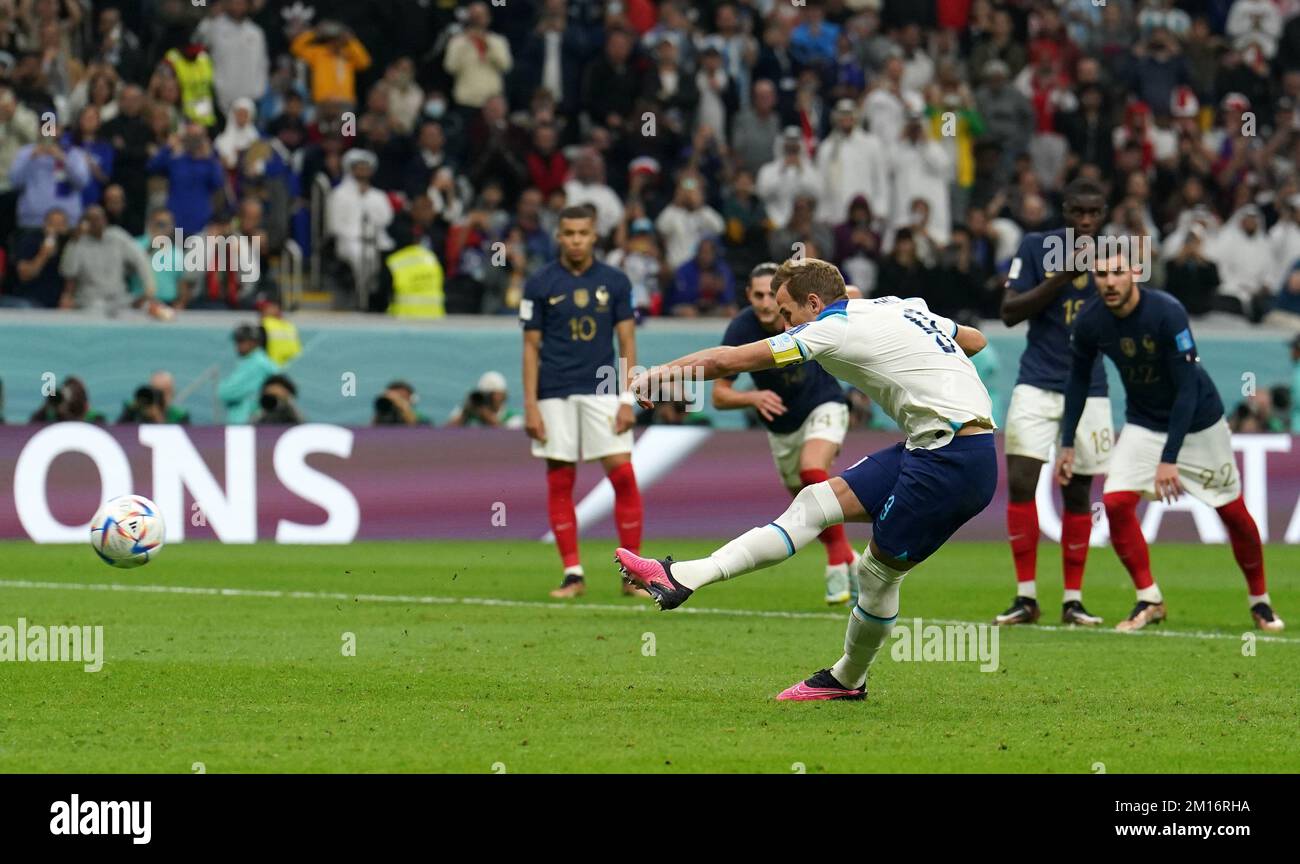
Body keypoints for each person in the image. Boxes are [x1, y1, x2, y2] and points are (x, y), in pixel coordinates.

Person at [617, 258, 997, 701]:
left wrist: (661, 373)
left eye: (787, 312)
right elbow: (975, 339)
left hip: (954, 461)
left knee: (877, 574)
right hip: (932, 444)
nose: (783, 322)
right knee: (815, 502)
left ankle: (848, 679)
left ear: (813, 303)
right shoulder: (897, 305)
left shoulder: (827, 330)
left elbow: (728, 361)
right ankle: (680, 576)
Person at [1056, 245, 1284, 633]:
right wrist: (1066, 442)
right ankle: (1149, 598)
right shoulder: (1091, 321)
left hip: (1199, 423)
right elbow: (1078, 381)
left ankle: (1260, 602)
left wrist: (1169, 458)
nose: (1109, 282)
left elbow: (1187, 389)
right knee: (1115, 502)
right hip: (1144, 422)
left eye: (1117, 272)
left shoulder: (1167, 312)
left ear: (1134, 273)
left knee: (1232, 513)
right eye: (1101, 274)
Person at [995, 178, 1113, 627]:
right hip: (1037, 380)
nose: (1085, 221)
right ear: (1064, 211)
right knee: (1023, 480)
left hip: (1091, 386)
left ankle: (1073, 599)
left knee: (1079, 489)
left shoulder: (1116, 256)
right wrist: (1064, 274)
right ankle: (1026, 596)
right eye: (1077, 212)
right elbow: (1009, 311)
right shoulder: (1036, 246)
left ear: (1103, 215)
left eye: (1093, 213)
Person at [521, 203, 645, 599]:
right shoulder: (539, 283)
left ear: (594, 236)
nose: (576, 240)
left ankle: (633, 574)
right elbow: (530, 347)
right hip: (553, 390)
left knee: (622, 476)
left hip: (604, 389)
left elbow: (626, 340)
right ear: (559, 236)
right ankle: (573, 574)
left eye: (583, 233)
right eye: (569, 233)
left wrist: (628, 398)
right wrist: (529, 404)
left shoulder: (615, 281)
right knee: (560, 481)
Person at [714, 262, 857, 604]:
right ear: (748, 296)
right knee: (808, 502)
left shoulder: (803, 310)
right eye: (758, 295)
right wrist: (751, 396)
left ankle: (837, 563)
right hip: (782, 429)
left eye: (771, 295)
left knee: (813, 470)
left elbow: (851, 296)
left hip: (824, 404)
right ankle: (851, 557)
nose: (766, 303)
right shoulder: (742, 328)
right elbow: (719, 395)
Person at [218, 323, 278, 424]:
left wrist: (223, 387)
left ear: (254, 342)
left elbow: (226, 392)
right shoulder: (251, 361)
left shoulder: (258, 363)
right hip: (247, 423)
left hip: (249, 423)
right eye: (236, 341)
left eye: (241, 341)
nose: (237, 345)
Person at [448, 371, 522, 428]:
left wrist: (486, 416)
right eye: (485, 394)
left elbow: (510, 437)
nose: (489, 398)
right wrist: (465, 414)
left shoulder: (513, 417)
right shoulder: (467, 414)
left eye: (492, 394)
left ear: (504, 396)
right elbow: (443, 434)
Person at [116, 370, 190, 424]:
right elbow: (118, 431)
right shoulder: (133, 409)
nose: (159, 397)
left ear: (172, 393)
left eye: (164, 391)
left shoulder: (179, 416)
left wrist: (158, 419)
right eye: (155, 390)